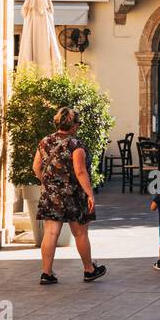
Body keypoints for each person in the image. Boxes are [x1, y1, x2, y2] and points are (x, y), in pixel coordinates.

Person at [33, 107, 106, 285]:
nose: (78, 127)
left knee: (51, 232)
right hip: (73, 194)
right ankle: (89, 269)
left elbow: (36, 167)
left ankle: (47, 273)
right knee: (80, 233)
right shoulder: (75, 145)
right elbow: (80, 172)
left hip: (52, 194)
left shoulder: (45, 141)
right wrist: (90, 194)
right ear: (72, 126)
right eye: (78, 123)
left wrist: (49, 183)